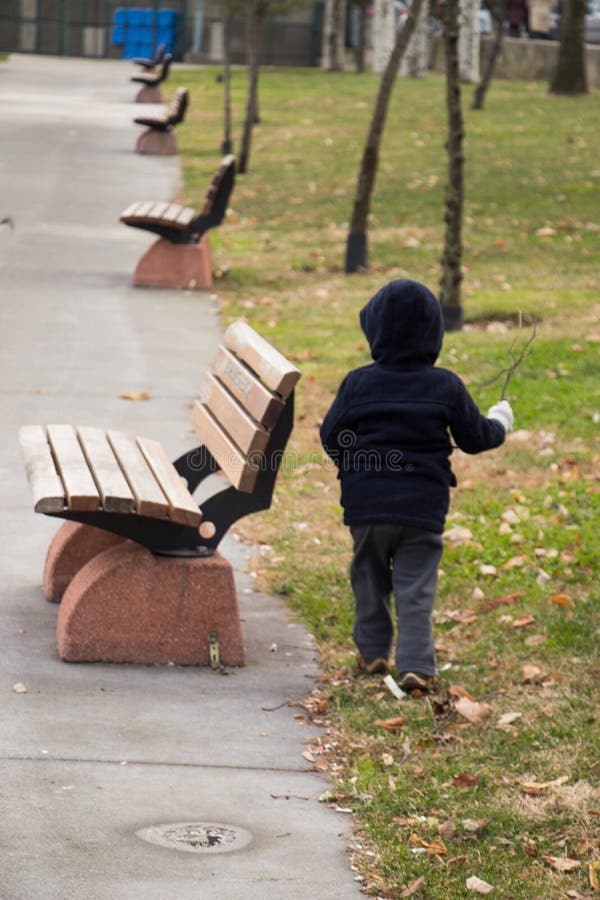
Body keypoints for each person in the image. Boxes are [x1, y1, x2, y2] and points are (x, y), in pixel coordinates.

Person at [319, 279, 514, 694]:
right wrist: (501, 422)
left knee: (367, 573)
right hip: (421, 508)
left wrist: (355, 467)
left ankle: (372, 652)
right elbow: (476, 437)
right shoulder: (445, 386)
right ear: (434, 334)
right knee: (415, 586)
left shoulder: (358, 384)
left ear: (374, 330)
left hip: (367, 507)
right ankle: (415, 665)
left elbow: (331, 435)